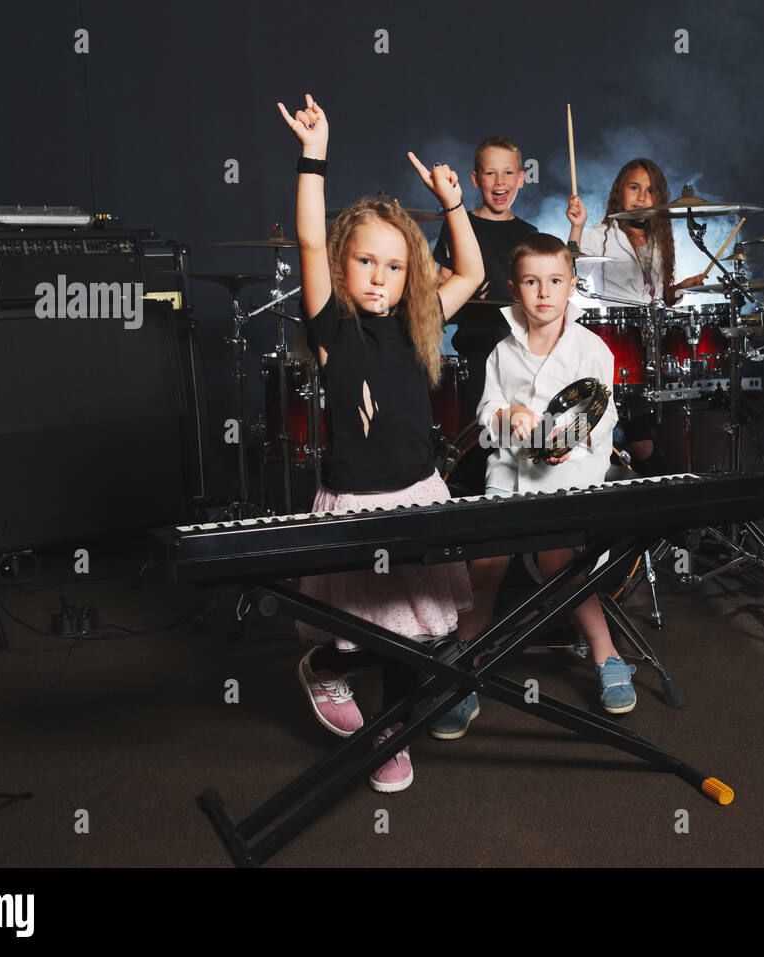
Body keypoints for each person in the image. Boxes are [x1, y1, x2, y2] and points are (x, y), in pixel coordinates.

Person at [276, 93, 484, 791]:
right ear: (344, 264)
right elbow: (308, 238)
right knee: (363, 630)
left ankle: (391, 730)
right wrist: (314, 154)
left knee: (421, 634)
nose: (380, 278)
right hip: (357, 503)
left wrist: (453, 204)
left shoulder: (418, 322)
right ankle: (325, 672)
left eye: (394, 267)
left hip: (417, 494)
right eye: (366, 262)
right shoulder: (332, 331)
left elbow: (475, 275)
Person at [430, 233, 633, 740]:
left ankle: (607, 657)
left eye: (555, 281)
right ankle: (462, 677)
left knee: (557, 561)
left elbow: (602, 417)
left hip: (568, 477)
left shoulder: (593, 349)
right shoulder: (501, 351)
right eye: (531, 281)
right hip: (508, 474)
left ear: (571, 286)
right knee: (487, 564)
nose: (544, 292)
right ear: (515, 288)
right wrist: (509, 414)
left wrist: (571, 441)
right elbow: (485, 416)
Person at [566, 158, 702, 474]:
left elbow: (659, 296)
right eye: (634, 187)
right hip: (612, 344)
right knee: (597, 435)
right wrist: (576, 226)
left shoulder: (661, 241)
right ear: (619, 192)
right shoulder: (599, 234)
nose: (641, 197)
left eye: (650, 191)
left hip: (646, 350)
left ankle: (657, 501)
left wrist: (678, 288)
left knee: (643, 443)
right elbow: (569, 264)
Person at [433, 136, 538, 490]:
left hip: (522, 356)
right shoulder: (460, 225)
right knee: (479, 442)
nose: (500, 181)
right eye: (490, 173)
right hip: (476, 353)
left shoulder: (528, 235)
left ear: (521, 178)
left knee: (523, 443)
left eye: (508, 173)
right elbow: (443, 282)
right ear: (475, 179)